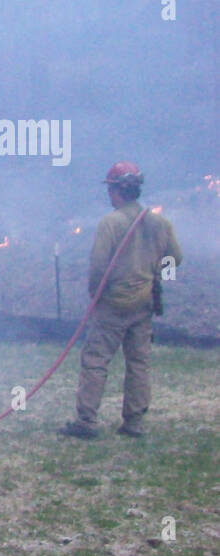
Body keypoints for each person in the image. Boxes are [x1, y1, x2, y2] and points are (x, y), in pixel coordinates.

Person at [61, 162, 182, 439]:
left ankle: (86, 421)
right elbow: (175, 258)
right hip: (143, 305)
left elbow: (98, 267)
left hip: (112, 305)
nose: (109, 194)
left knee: (95, 360)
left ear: (116, 190)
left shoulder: (110, 223)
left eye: (111, 189)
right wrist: (155, 273)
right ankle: (134, 423)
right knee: (138, 363)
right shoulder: (159, 222)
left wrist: (95, 294)